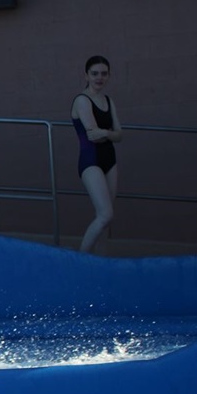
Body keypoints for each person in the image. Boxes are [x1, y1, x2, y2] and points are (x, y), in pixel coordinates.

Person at [72, 55, 123, 253]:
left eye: (103, 74)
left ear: (109, 75)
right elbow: (93, 136)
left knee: (106, 218)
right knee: (105, 214)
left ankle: (102, 261)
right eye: (94, 74)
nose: (99, 78)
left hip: (109, 159)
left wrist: (106, 133)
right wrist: (109, 134)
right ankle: (82, 259)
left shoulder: (108, 100)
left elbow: (119, 135)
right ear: (86, 75)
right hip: (90, 160)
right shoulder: (82, 100)